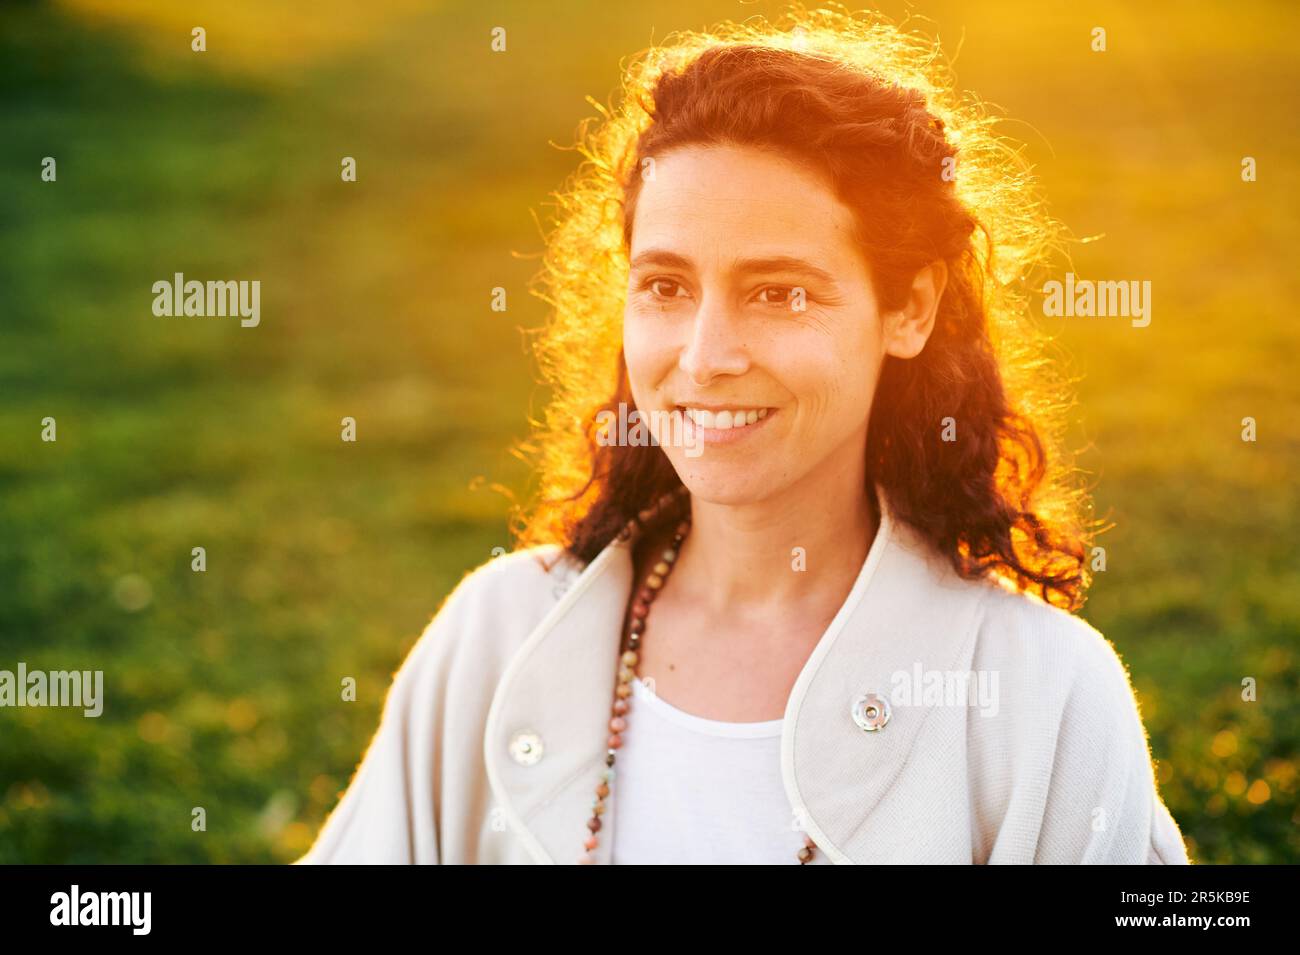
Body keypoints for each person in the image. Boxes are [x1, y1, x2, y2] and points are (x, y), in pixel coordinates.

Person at [296, 7, 1190, 865]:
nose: (705, 356)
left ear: (907, 309)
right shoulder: (500, 631)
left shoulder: (1043, 695)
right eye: (666, 286)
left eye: (779, 292)